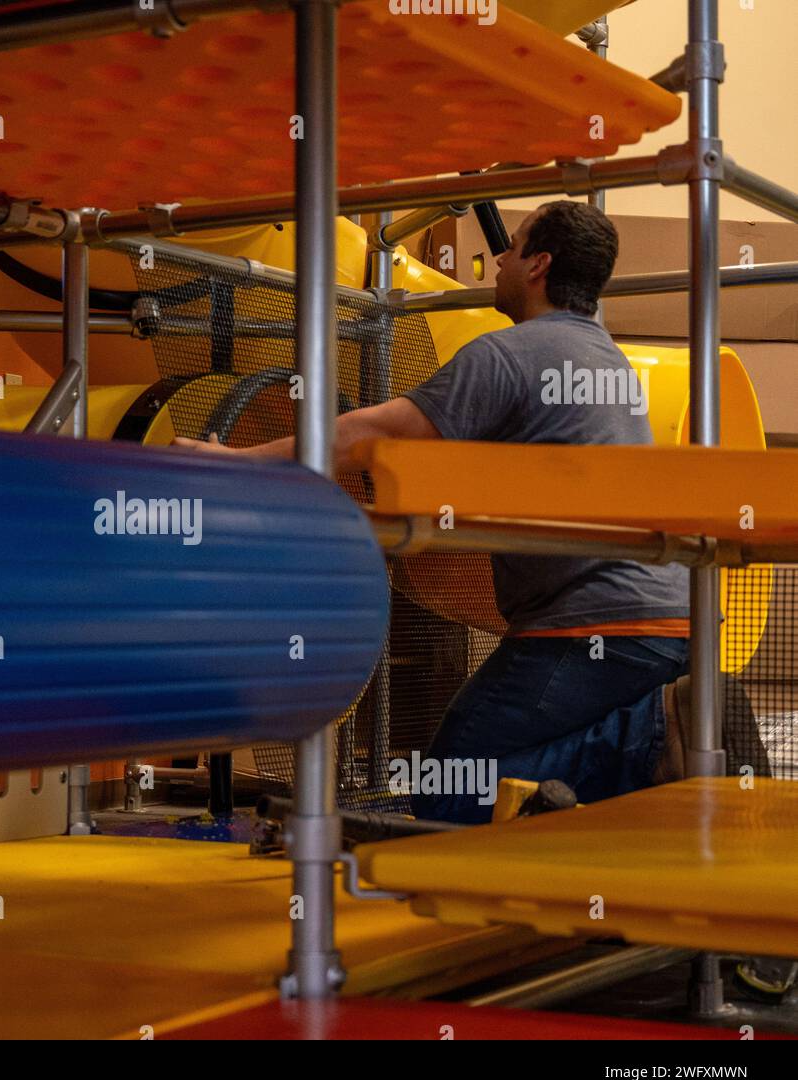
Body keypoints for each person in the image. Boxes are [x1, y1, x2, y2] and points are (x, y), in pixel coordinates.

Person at [175, 200, 769, 827]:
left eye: (512, 247)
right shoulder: (609, 362)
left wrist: (240, 460)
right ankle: (647, 761)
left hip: (597, 627)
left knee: (450, 787)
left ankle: (648, 736)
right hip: (677, 623)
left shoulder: (508, 354)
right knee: (529, 776)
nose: (500, 258)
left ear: (539, 264)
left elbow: (371, 434)